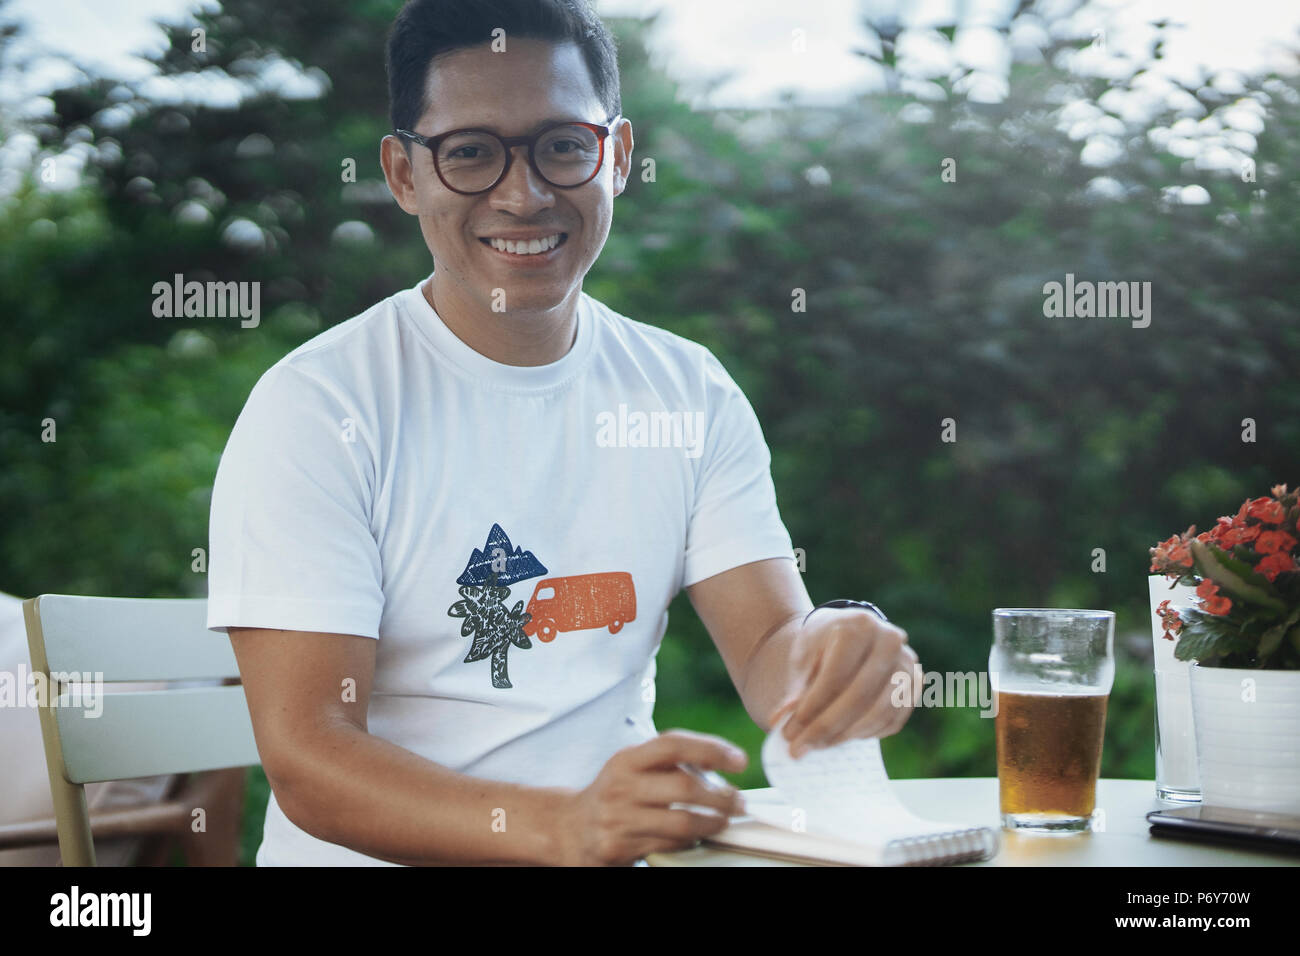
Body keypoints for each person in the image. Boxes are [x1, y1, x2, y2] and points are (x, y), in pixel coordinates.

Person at [206, 0, 918, 866]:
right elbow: (310, 757)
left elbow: (774, 651)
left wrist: (847, 659)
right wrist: (561, 828)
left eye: (562, 144)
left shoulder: (686, 390)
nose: (522, 192)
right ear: (403, 174)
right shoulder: (319, 407)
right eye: (469, 152)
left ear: (615, 156)